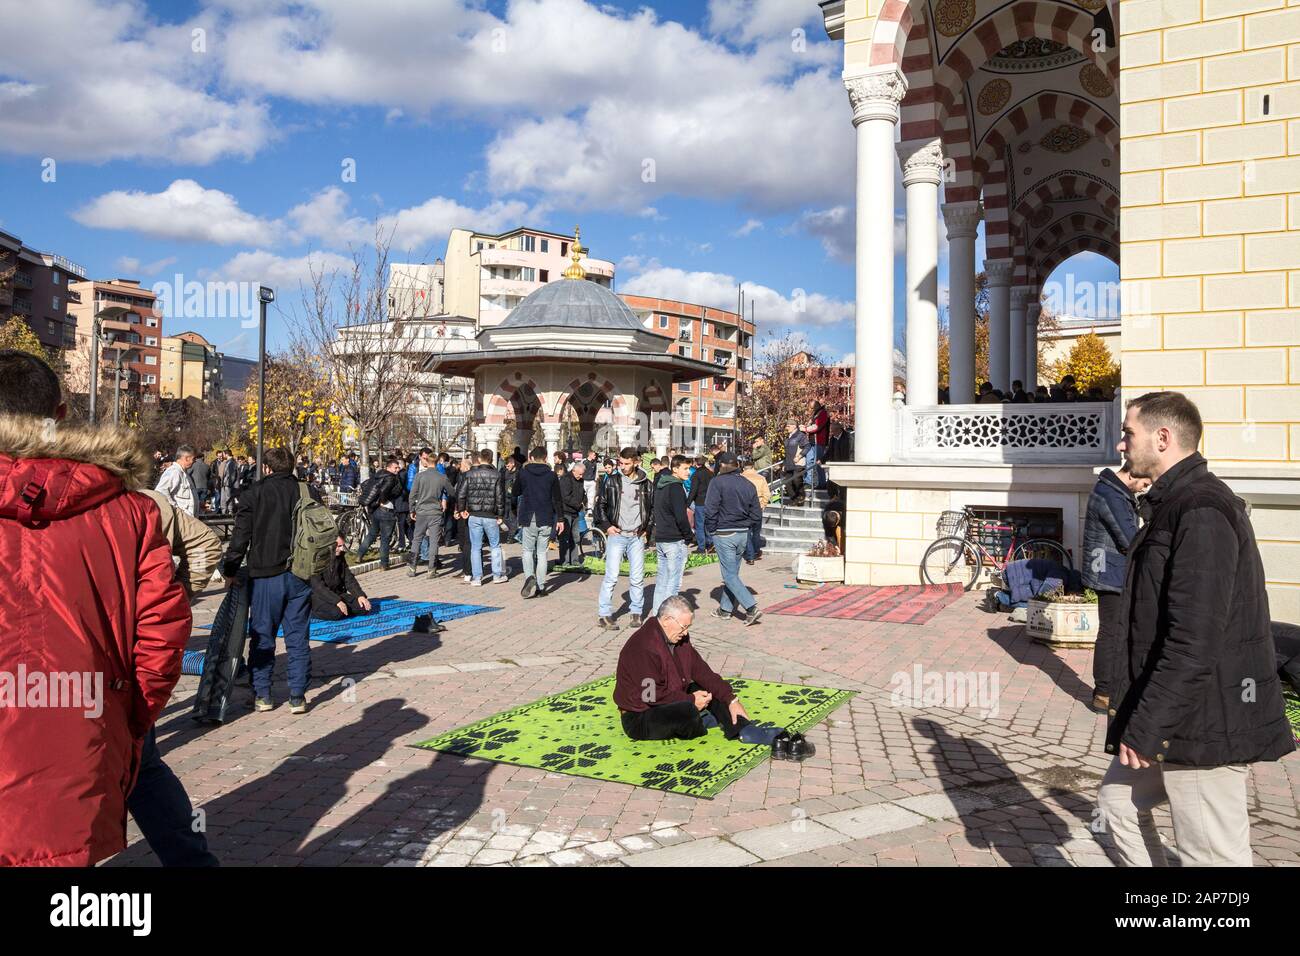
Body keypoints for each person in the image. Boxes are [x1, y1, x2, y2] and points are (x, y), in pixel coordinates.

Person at [0, 351, 192, 867]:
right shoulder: (127, 511)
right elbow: (162, 635)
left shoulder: (126, 511)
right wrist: (126, 719)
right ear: (60, 415)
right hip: (85, 738)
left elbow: (163, 630)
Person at [1097, 391, 1293, 866]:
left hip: (1207, 719)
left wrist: (1146, 727)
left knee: (1212, 856)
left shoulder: (1200, 510)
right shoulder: (1171, 503)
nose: (1121, 446)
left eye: (1129, 434)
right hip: (1177, 717)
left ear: (1162, 438)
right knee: (1117, 804)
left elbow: (1193, 642)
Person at [134, 489, 223, 866]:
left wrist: (177, 598)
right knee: (142, 768)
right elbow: (206, 542)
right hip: (128, 653)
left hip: (45, 665)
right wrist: (176, 600)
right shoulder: (145, 502)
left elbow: (205, 542)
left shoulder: (139, 504)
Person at [611, 596, 815, 757]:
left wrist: (731, 698)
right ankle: (702, 718)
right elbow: (650, 696)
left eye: (688, 627)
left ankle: (744, 730)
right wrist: (691, 701)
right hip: (640, 717)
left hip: (668, 697)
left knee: (709, 689)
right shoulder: (644, 646)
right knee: (686, 709)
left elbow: (702, 671)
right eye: (683, 627)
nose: (685, 632)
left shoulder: (679, 638)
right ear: (666, 620)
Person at [221, 445, 327, 714]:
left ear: (266, 468)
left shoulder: (253, 494)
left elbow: (240, 538)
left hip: (266, 575)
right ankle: (297, 696)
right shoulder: (306, 490)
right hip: (300, 573)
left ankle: (263, 695)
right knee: (297, 637)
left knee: (263, 636)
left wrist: (230, 570)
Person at [1081, 463, 1149, 713]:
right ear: (1132, 473)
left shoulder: (1117, 492)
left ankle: (1111, 689)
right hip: (1109, 574)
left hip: (1112, 571)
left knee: (1117, 632)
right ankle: (1103, 693)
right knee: (1111, 633)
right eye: (1144, 483)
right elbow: (1130, 539)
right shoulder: (1110, 494)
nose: (1145, 487)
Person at [595, 446, 653, 629]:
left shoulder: (646, 484)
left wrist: (647, 529)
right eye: (620, 463)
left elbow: (652, 510)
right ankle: (604, 614)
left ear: (636, 462)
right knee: (611, 576)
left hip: (636, 535)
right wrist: (607, 526)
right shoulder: (612, 481)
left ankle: (636, 612)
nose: (622, 466)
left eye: (627, 463)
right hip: (617, 535)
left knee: (637, 577)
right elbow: (600, 504)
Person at [703, 451, 763, 626]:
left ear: (721, 465)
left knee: (729, 575)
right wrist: (747, 525)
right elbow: (757, 514)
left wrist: (712, 530)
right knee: (732, 573)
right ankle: (725, 609)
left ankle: (751, 607)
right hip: (742, 533)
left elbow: (710, 509)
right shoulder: (747, 484)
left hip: (725, 533)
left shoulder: (717, 482)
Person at [516, 446, 564, 598]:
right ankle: (541, 586)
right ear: (545, 458)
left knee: (527, 551)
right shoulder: (551, 475)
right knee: (542, 552)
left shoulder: (523, 473)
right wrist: (561, 519)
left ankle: (530, 576)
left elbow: (515, 491)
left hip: (528, 516)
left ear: (530, 457)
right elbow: (557, 499)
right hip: (546, 516)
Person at [457, 448, 508, 585]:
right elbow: (500, 497)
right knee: (495, 545)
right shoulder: (497, 475)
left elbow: (461, 493)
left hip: (474, 514)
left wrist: (461, 509)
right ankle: (497, 575)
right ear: (492, 459)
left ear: (479, 459)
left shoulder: (470, 474)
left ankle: (477, 577)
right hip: (491, 515)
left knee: (475, 546)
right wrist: (500, 514)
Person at [651, 454, 693, 614]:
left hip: (661, 537)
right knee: (673, 583)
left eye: (689, 468)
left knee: (662, 581)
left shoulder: (661, 485)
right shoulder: (675, 488)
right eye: (685, 468)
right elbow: (680, 516)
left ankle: (657, 615)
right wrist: (688, 535)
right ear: (675, 469)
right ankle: (668, 617)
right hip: (674, 540)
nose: (688, 472)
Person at [407, 451, 452, 577]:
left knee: (417, 540)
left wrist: (412, 509)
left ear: (427, 462)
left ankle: (412, 568)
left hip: (421, 511)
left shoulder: (419, 476)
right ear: (437, 462)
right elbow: (452, 492)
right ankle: (431, 569)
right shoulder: (442, 477)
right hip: (435, 512)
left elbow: (412, 495)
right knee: (434, 541)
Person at [356, 457, 404, 570]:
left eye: (398, 467)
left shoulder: (378, 474)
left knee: (372, 534)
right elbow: (384, 491)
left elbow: (365, 484)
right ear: (388, 467)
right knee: (385, 539)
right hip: (387, 511)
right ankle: (384, 564)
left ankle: (359, 555)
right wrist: (382, 501)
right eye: (395, 467)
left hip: (376, 510)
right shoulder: (391, 478)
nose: (397, 469)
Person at [311, 537, 375, 621]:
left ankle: (344, 609)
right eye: (338, 546)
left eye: (342, 545)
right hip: (319, 597)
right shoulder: (316, 560)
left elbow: (348, 579)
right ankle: (310, 612)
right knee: (337, 613)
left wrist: (360, 595)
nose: (341, 549)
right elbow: (318, 587)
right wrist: (337, 601)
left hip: (338, 593)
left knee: (364, 608)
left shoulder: (340, 557)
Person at [740, 456, 770, 564]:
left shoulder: (740, 478)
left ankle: (750, 555)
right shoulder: (761, 478)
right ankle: (756, 551)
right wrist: (762, 505)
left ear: (744, 468)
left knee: (747, 532)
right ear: (753, 467)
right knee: (756, 532)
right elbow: (767, 494)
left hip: (744, 508)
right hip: (757, 507)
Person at [557, 457, 587, 568]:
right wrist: (578, 504)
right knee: (564, 537)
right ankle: (564, 561)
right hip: (566, 512)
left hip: (576, 512)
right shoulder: (566, 479)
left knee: (575, 537)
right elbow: (565, 497)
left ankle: (574, 560)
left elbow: (582, 493)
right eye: (579, 474)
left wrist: (584, 501)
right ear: (574, 471)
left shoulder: (581, 479)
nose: (581, 477)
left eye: (582, 474)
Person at [155, 443, 197, 516]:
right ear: (187, 458)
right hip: (182, 522)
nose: (194, 461)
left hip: (188, 521)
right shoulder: (174, 472)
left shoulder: (184, 473)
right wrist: (176, 510)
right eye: (193, 459)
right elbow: (160, 491)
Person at [686, 455, 714, 553]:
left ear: (696, 463)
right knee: (708, 523)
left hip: (700, 502)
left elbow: (693, 490)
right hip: (710, 502)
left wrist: (687, 503)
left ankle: (701, 547)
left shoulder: (696, 475)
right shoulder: (710, 474)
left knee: (699, 525)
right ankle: (710, 543)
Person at [801, 399, 830, 491]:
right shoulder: (815, 414)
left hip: (819, 442)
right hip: (811, 441)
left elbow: (817, 427)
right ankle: (808, 482)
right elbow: (811, 425)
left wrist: (805, 428)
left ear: (817, 406)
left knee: (818, 462)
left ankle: (822, 483)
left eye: (812, 408)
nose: (811, 409)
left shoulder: (823, 413)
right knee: (809, 461)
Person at [782, 417, 808, 506]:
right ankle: (794, 499)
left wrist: (800, 456)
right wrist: (784, 464)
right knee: (787, 482)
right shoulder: (788, 438)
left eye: (788, 426)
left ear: (794, 426)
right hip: (789, 463)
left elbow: (807, 447)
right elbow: (786, 452)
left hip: (798, 463)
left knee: (796, 480)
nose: (787, 428)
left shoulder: (800, 435)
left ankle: (801, 496)